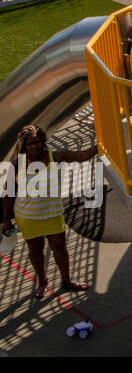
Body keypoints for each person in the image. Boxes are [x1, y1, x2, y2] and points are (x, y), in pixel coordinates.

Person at [0, 125, 98, 300]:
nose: (34, 147)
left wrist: (105, 142)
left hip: (52, 214)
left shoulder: (57, 156)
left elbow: (84, 155)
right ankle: (42, 282)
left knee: (60, 248)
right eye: (30, 144)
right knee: (35, 250)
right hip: (27, 217)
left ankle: (66, 281)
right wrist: (6, 220)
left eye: (37, 142)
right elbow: (8, 193)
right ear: (23, 147)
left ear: (44, 142)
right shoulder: (17, 165)